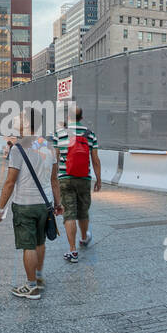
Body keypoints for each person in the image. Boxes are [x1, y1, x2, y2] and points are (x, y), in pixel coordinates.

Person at [0, 114, 63, 299]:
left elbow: (10, 182)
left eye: (19, 118)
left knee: (28, 246)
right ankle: (38, 277)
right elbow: (55, 180)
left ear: (28, 124)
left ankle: (31, 287)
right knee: (40, 241)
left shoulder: (18, 148)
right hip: (45, 204)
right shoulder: (49, 147)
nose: (15, 121)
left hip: (25, 204)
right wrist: (58, 203)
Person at [60, 107, 107, 263]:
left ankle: (73, 251)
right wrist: (98, 179)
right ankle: (84, 238)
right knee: (83, 210)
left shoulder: (60, 133)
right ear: (81, 117)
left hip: (65, 178)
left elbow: (54, 159)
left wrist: (53, 179)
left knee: (69, 214)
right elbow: (95, 159)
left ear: (68, 117)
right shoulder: (90, 134)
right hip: (84, 178)